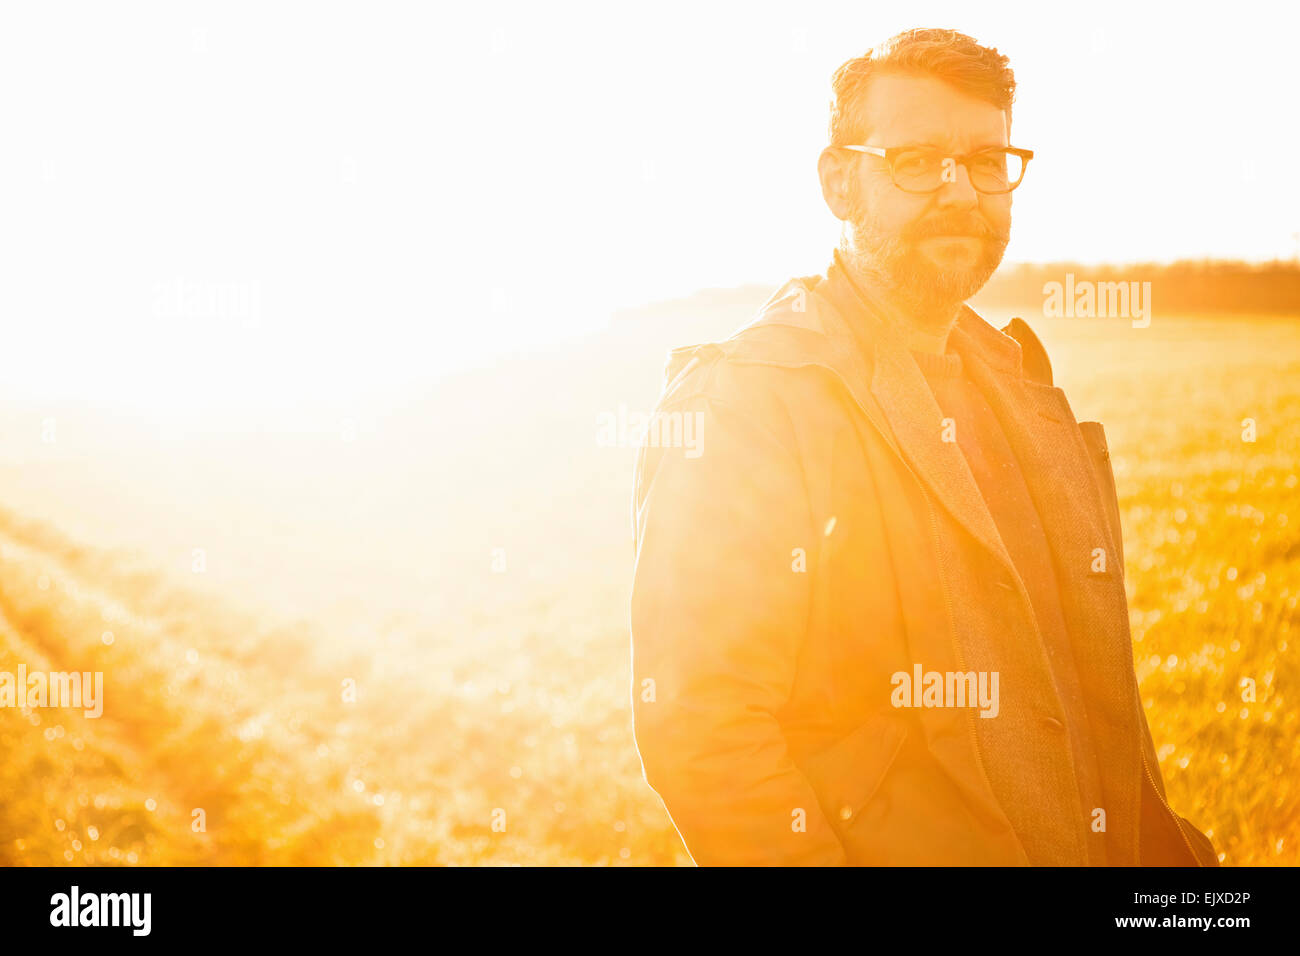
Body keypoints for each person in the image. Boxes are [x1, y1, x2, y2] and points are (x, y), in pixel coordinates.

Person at [628, 27, 1219, 866]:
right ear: (839, 181)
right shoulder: (749, 402)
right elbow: (703, 728)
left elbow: (1096, 700)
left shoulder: (1024, 386)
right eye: (916, 160)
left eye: (986, 161)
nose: (960, 193)